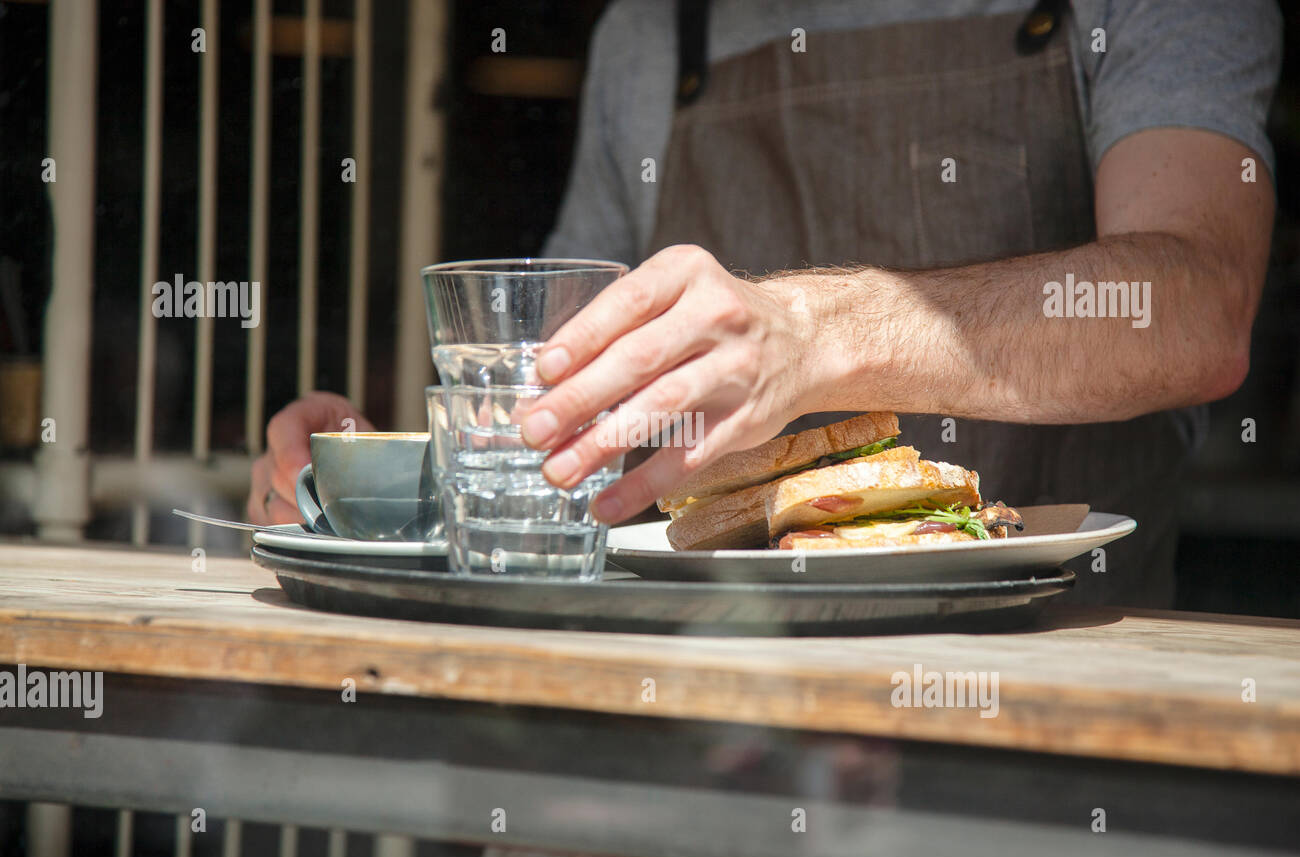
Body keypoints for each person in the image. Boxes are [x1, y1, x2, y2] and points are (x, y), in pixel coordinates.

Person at [250, 0, 1281, 606]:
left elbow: (1195, 308)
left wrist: (810, 333)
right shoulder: (654, 32)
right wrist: (375, 470)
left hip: (1051, 733)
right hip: (694, 738)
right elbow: (557, 401)